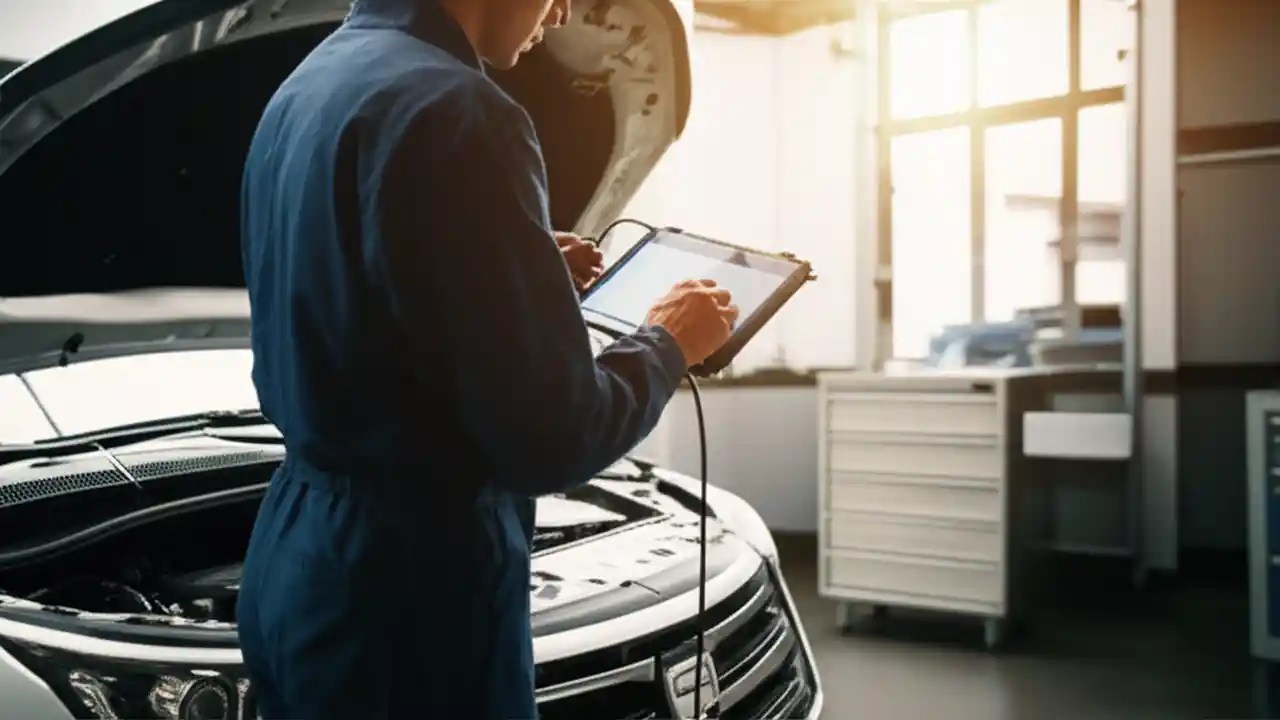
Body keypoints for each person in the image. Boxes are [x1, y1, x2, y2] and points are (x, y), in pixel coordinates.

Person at [234, 0, 738, 718]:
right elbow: (552, 436)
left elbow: (364, 288)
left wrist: (513, 267)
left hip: (296, 559)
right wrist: (666, 342)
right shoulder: (464, 111)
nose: (563, 9)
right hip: (413, 592)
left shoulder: (304, 89)